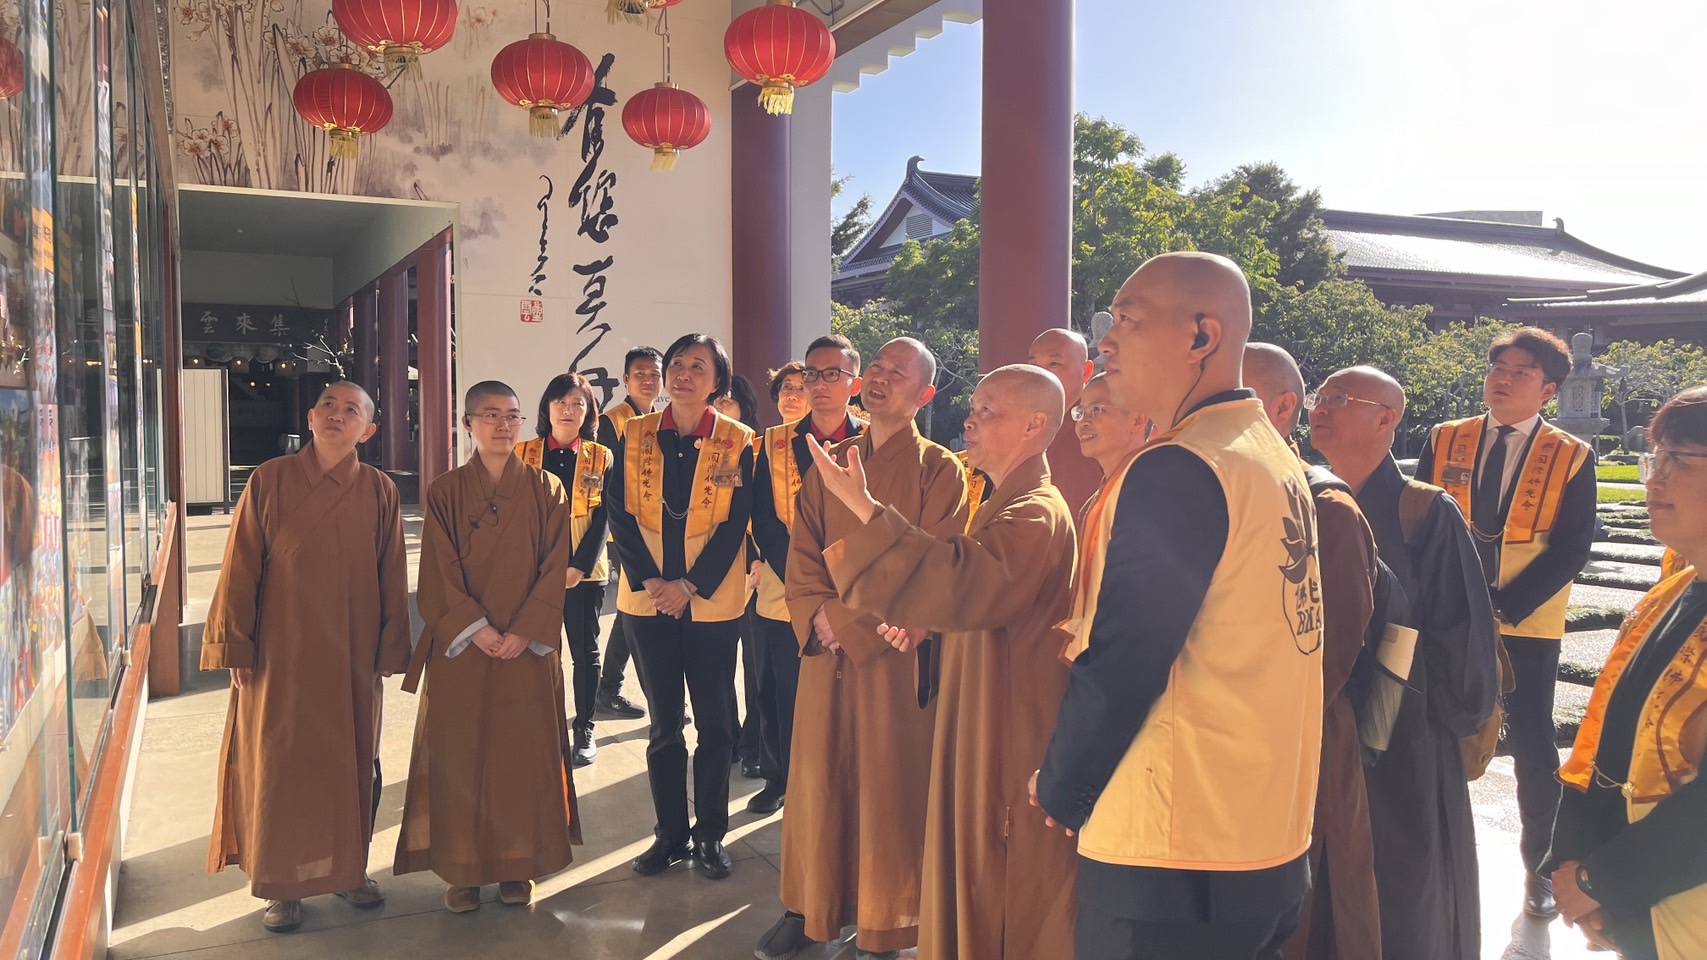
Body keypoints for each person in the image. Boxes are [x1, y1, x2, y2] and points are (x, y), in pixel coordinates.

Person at [1034, 252, 1325, 960]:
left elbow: (1125, 659)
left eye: (1126, 321)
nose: (1104, 341)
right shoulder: (1267, 453)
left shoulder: (1182, 465)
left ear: (1201, 336)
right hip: (1262, 836)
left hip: (1174, 848)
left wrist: (1063, 787)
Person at [808, 363, 1080, 960]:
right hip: (981, 709)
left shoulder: (1034, 510)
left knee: (999, 878)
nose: (971, 420)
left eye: (989, 410)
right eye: (975, 407)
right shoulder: (1007, 502)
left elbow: (967, 578)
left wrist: (866, 509)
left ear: (1036, 425)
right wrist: (929, 622)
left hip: (1006, 728)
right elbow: (972, 588)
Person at [755, 337, 968, 960]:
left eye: (898, 373)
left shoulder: (940, 470)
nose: (880, 377)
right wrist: (817, 616)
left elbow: (930, 564)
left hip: (892, 654)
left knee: (886, 787)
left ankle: (883, 924)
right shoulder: (832, 458)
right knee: (818, 781)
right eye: (875, 366)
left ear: (924, 395)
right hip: (828, 654)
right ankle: (809, 909)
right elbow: (803, 550)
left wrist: (841, 620)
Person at [203, 382, 409, 933]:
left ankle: (348, 871)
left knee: (353, 761)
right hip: (281, 650)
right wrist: (235, 644)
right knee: (281, 764)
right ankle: (282, 883)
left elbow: (393, 572)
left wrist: (393, 644)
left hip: (353, 649)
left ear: (368, 430)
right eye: (327, 406)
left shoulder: (379, 490)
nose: (336, 415)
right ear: (311, 418)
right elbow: (240, 565)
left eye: (352, 410)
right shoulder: (269, 479)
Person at [1308, 365, 1499, 960]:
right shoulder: (1300, 497)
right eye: (1320, 396)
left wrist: (1401, 713)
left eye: (1340, 399)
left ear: (1386, 419)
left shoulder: (1425, 513)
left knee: (1405, 891)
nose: (1322, 408)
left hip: (1406, 743)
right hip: (1319, 731)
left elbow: (1463, 641)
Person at [1414, 326, 1597, 919]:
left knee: (1534, 744)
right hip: (1444, 612)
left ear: (1548, 389)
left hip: (1526, 621)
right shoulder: (1447, 439)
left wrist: (1504, 605)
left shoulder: (1570, 455)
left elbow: (1572, 548)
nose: (1503, 378)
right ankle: (1424, 852)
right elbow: (1413, 518)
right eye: (1498, 366)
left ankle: (1540, 869)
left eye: (1520, 372)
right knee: (1426, 723)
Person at [394, 380, 580, 913]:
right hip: (465, 648)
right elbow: (438, 570)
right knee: (461, 753)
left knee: (523, 753)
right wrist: (479, 629)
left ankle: (517, 865)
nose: (503, 425)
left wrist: (522, 631)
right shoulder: (446, 490)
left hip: (527, 646)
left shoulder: (548, 488)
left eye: (513, 416)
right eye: (491, 415)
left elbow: (553, 568)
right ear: (468, 424)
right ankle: (463, 869)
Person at [1545, 386, 1707, 960]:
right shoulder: (1678, 590)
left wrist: (1600, 881)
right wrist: (1581, 869)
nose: (1654, 479)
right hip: (1641, 897)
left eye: (1679, 461)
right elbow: (1611, 740)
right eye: (1654, 458)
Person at [1245, 344, 1383, 960]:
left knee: (1306, 919)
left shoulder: (1324, 507)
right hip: (1236, 741)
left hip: (1299, 743)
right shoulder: (1235, 488)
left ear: (1282, 408)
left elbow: (1332, 651)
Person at [606, 334, 755, 881]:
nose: (683, 374)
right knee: (664, 724)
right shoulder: (636, 433)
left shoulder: (739, 441)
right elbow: (617, 511)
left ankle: (712, 834)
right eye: (676, 365)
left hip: (710, 601)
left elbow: (738, 520)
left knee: (715, 723)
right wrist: (652, 580)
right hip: (647, 603)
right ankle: (669, 833)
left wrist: (688, 585)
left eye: (699, 367)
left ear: (719, 381)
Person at [747, 336, 866, 816]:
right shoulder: (773, 445)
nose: (818, 385)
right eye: (810, 376)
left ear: (854, 383)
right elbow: (763, 516)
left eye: (831, 374)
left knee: (849, 691)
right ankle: (781, 777)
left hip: (856, 590)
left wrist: (840, 583)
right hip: (787, 587)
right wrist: (808, 584)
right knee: (782, 686)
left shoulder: (875, 440)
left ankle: (845, 784)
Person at [516, 372, 612, 768]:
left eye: (578, 403)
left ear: (589, 411)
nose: (569, 410)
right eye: (561, 402)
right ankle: (537, 726)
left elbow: (607, 515)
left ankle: (585, 726)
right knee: (534, 649)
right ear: (547, 407)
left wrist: (577, 567)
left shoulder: (600, 455)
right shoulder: (523, 453)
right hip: (531, 571)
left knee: (585, 652)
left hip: (584, 573)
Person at [595, 345, 664, 721]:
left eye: (654, 374)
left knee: (634, 610)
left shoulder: (664, 418)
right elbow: (607, 484)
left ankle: (614, 689)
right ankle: (613, 688)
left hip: (656, 530)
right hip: (624, 533)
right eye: (640, 374)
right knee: (632, 609)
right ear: (625, 379)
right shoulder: (613, 421)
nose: (648, 380)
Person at [716, 373, 766, 777]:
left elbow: (759, 516)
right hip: (714, 569)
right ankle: (729, 735)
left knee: (753, 662)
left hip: (752, 570)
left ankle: (753, 740)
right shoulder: (707, 448)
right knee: (717, 664)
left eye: (728, 400)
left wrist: (756, 559)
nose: (720, 406)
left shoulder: (763, 447)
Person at [1028, 327, 1101, 511]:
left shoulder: (1100, 427)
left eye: (1054, 364)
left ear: (1086, 372)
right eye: (1034, 366)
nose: (1041, 376)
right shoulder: (1024, 427)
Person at [1071, 372, 1150, 515]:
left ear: (1137, 420)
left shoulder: (1150, 492)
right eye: (1081, 412)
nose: (1083, 422)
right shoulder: (1094, 503)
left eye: (1096, 410)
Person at [769, 360, 810, 425]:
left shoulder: (824, 434)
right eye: (787, 386)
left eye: (802, 389)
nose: (792, 396)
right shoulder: (769, 435)